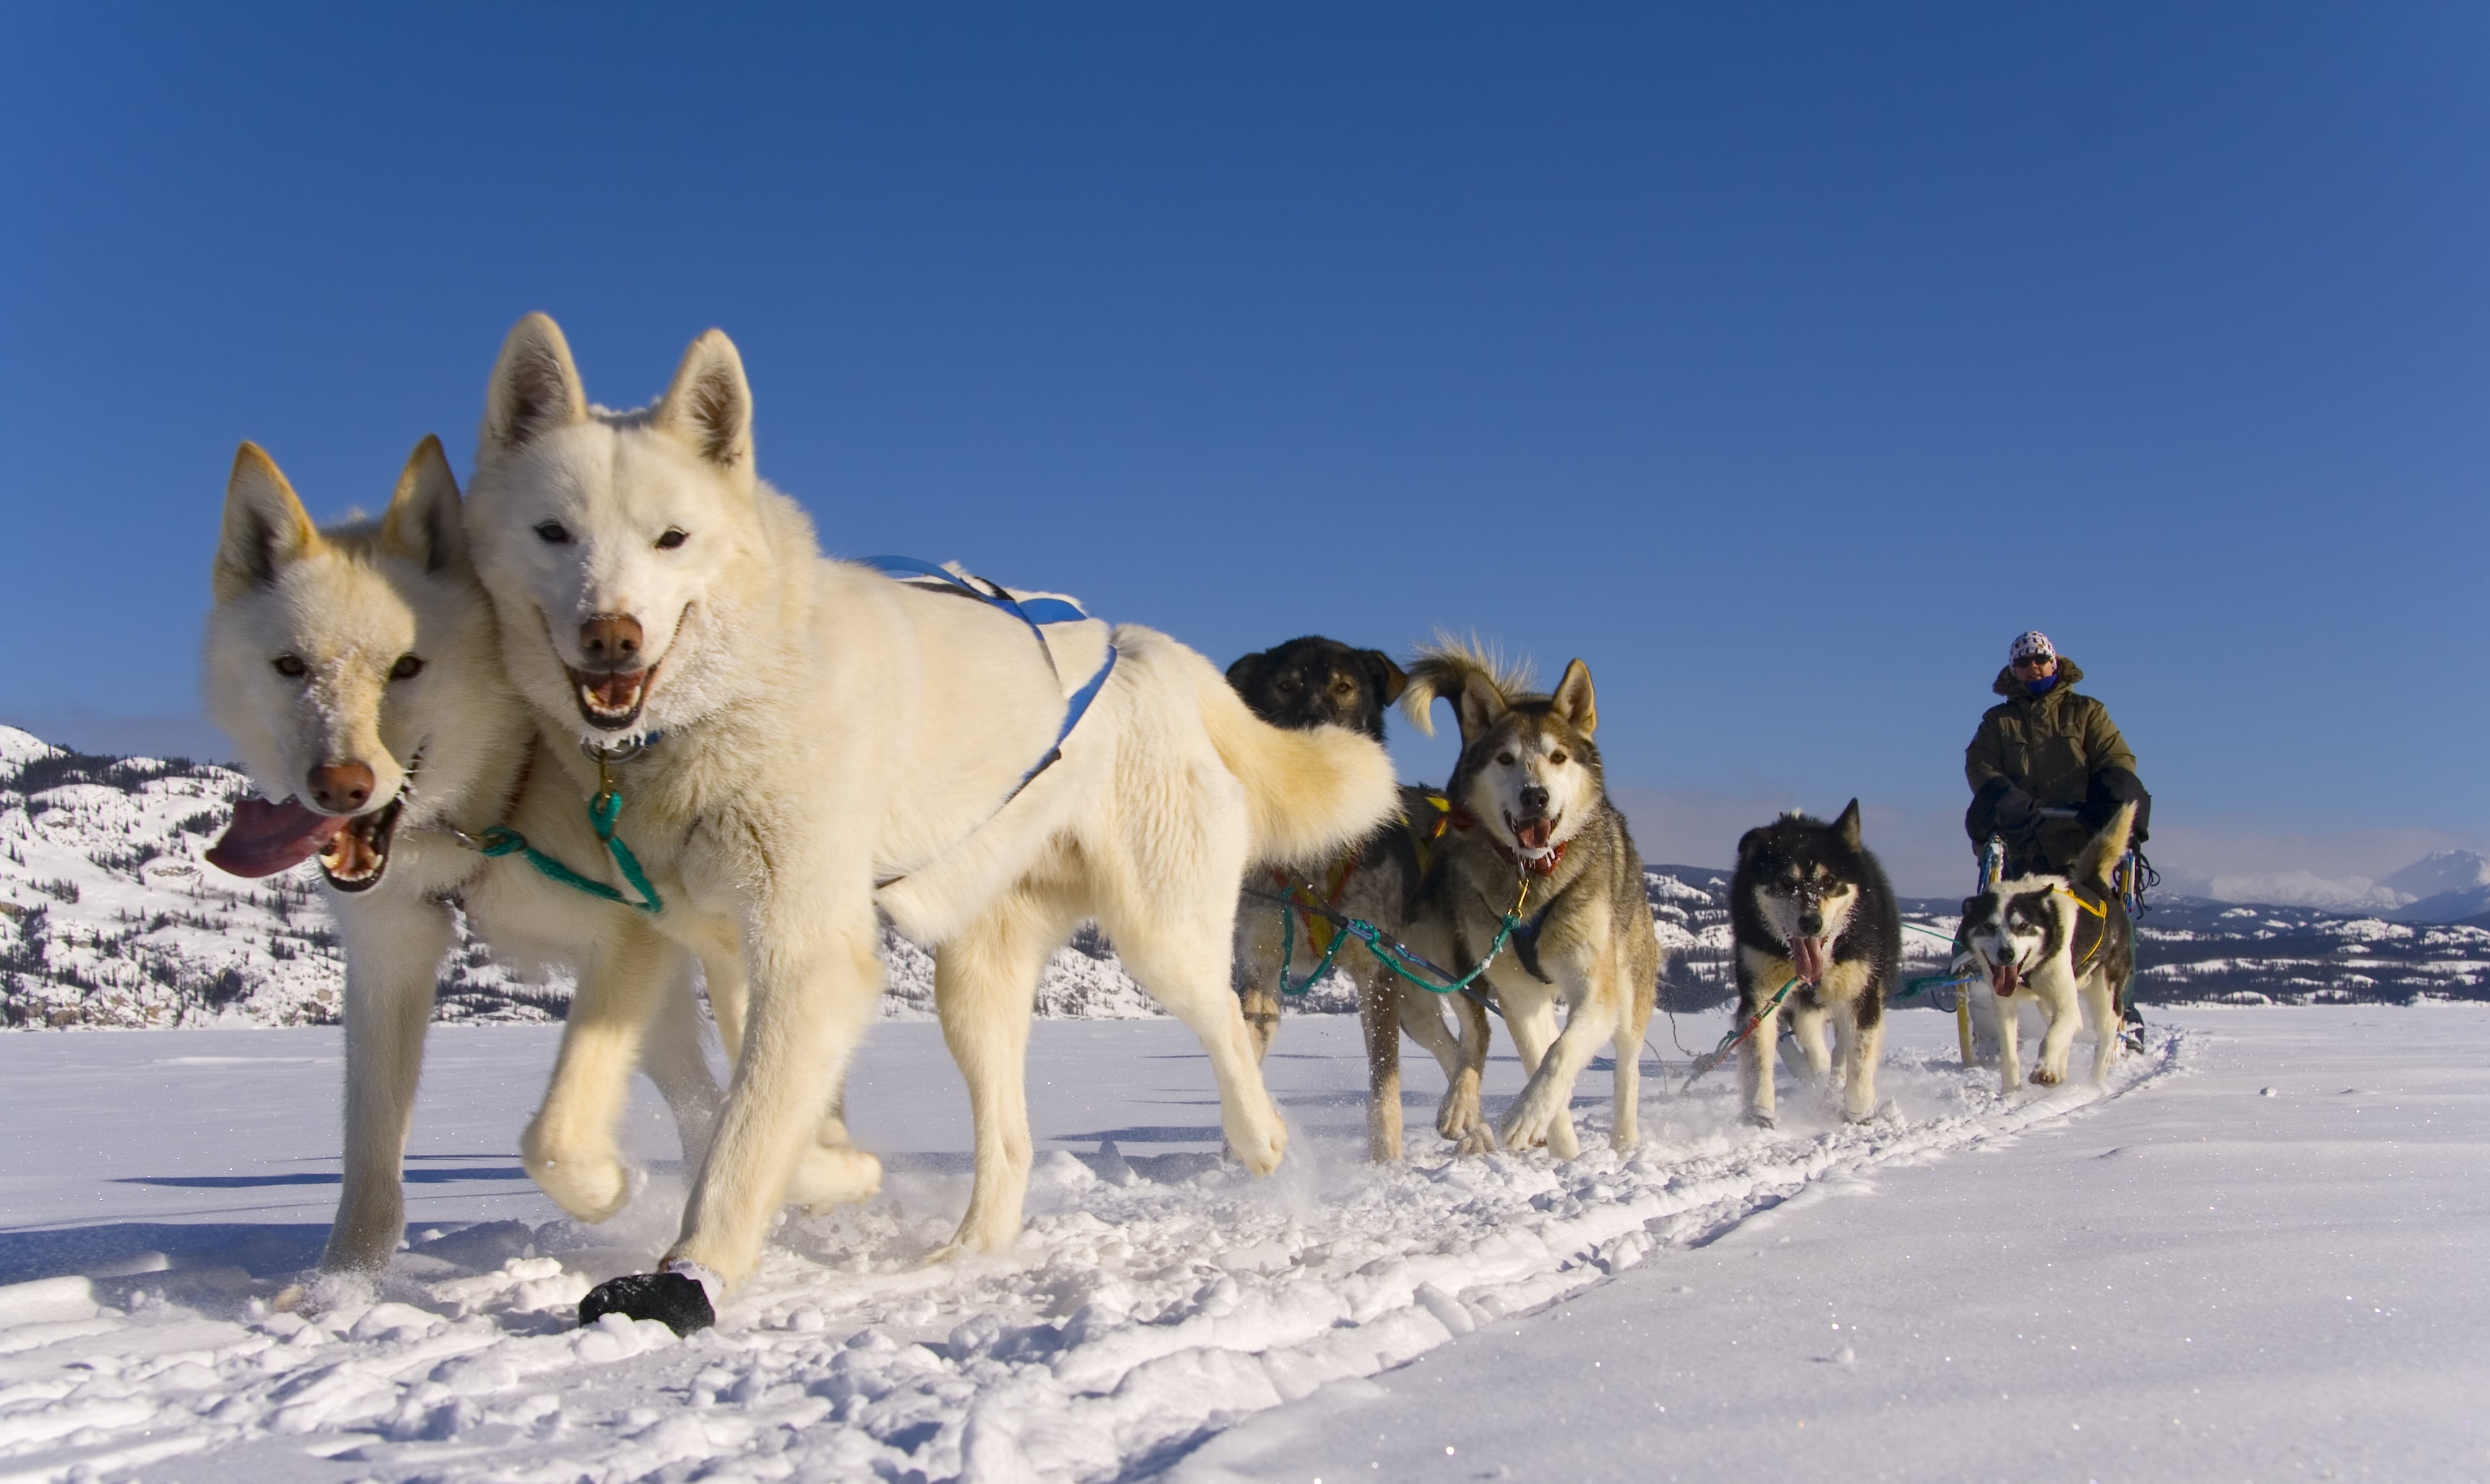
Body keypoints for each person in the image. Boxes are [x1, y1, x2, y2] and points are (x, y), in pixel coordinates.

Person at [1964, 629, 2150, 1044]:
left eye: (2040, 660)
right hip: (2022, 840)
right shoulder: (1998, 721)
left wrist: (2115, 796)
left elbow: (2116, 759)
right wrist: (2006, 799)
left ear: (2054, 662)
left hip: (2080, 843)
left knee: (2111, 927)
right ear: (2013, 671)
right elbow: (1981, 767)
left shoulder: (2087, 712)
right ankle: (1998, 1016)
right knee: (2002, 927)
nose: (2034, 668)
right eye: (2024, 663)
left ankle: (2124, 1011)